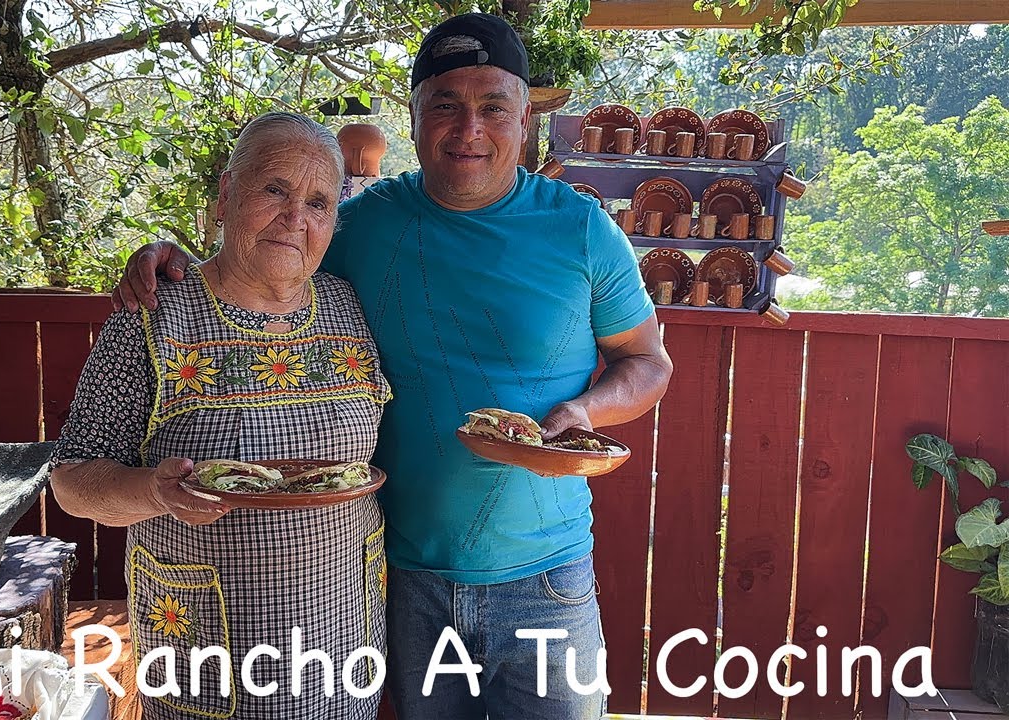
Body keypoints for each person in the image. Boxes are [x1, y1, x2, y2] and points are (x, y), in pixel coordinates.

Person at [111, 13, 673, 719]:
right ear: (413, 117)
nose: (469, 128)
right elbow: (270, 260)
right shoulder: (363, 224)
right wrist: (175, 264)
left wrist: (587, 410)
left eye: (493, 106)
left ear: (525, 118)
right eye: (445, 104)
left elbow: (646, 362)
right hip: (404, 580)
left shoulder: (583, 229)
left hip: (547, 580)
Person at [50, 111, 393, 720]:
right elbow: (72, 482)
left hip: (344, 646)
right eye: (274, 190)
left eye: (318, 202)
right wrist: (153, 492)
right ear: (226, 195)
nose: (295, 217)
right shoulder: (154, 315)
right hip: (204, 656)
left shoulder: (352, 305)